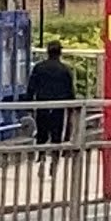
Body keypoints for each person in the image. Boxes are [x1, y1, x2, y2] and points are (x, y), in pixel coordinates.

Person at [27, 41, 76, 177]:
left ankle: (41, 157)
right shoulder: (65, 69)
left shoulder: (39, 67)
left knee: (42, 133)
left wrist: (29, 104)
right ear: (60, 52)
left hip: (42, 104)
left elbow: (31, 87)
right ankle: (54, 161)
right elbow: (70, 91)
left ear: (48, 52)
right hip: (59, 106)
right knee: (56, 134)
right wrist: (71, 107)